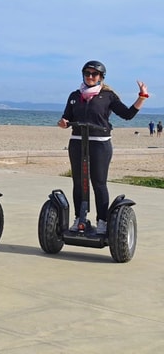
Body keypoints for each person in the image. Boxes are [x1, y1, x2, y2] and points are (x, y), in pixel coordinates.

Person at [58, 60, 148, 235]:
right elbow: (66, 118)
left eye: (94, 74)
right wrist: (63, 123)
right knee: (78, 182)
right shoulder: (74, 96)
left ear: (101, 77)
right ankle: (79, 219)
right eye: (87, 73)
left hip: (100, 143)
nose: (90, 76)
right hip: (77, 141)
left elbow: (127, 114)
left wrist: (142, 97)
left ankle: (102, 221)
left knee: (99, 183)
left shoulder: (108, 96)